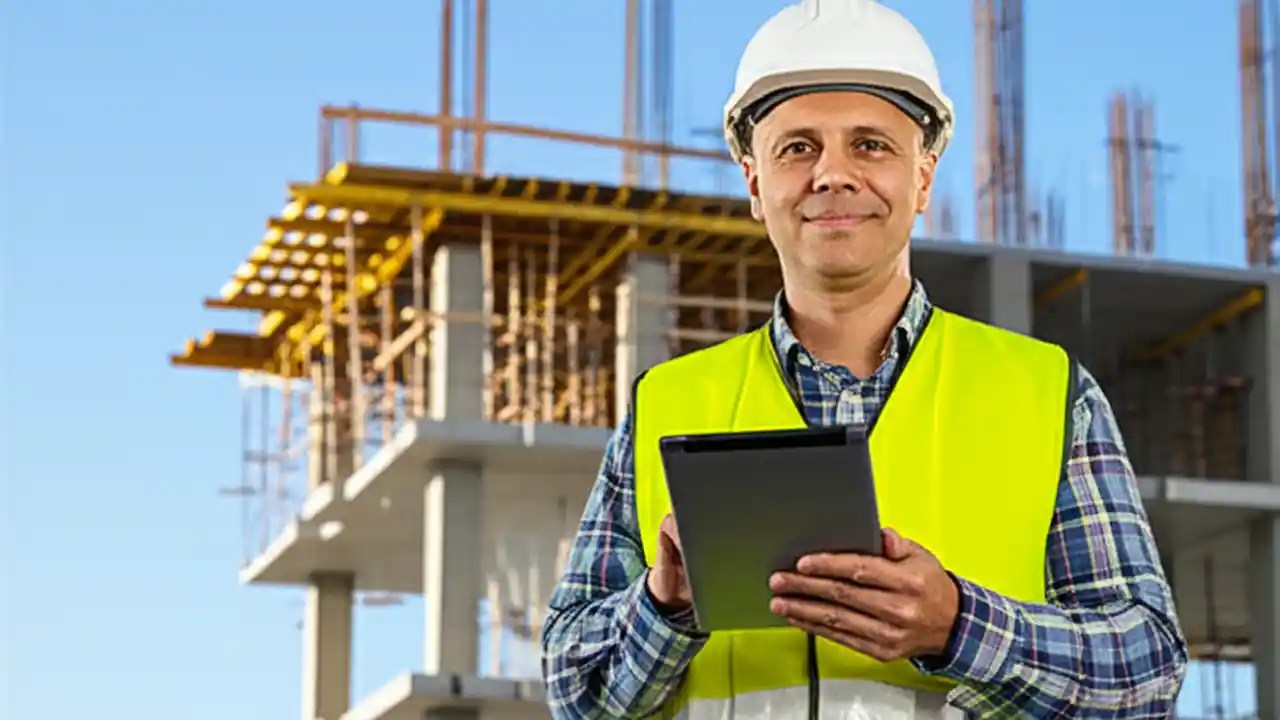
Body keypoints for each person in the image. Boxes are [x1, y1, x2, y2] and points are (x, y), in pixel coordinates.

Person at [540, 1, 1189, 717]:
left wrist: (961, 627)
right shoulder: (667, 402)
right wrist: (663, 608)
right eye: (798, 148)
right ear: (755, 183)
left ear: (923, 179)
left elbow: (1148, 673)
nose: (833, 175)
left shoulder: (1047, 393)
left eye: (871, 145)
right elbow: (575, 694)